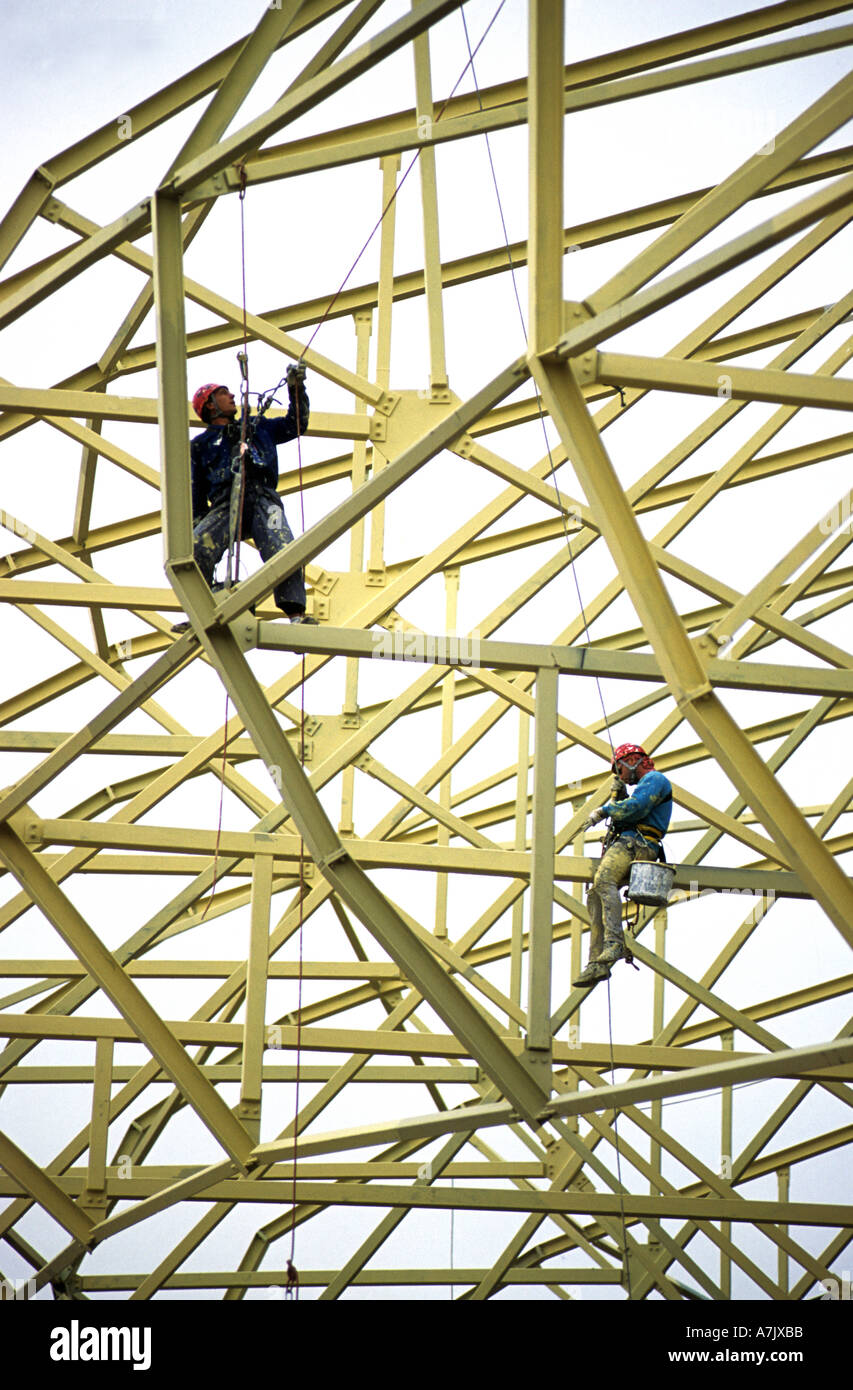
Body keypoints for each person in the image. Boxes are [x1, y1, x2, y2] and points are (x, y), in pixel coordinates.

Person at [184, 365, 315, 624]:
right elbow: (195, 488)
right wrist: (199, 520)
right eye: (223, 393)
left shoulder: (256, 427)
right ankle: (201, 610)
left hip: (263, 498)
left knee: (284, 548)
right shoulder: (200, 445)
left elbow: (295, 424)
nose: (231, 396)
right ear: (209, 405)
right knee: (196, 548)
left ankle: (296, 613)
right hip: (224, 504)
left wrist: (296, 387)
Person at [573, 743, 672, 988]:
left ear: (633, 760)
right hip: (630, 842)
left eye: (620, 769)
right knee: (596, 894)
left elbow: (637, 809)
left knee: (604, 880)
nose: (621, 776)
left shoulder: (654, 779)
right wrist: (620, 798)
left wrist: (606, 809)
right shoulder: (642, 787)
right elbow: (632, 807)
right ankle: (597, 962)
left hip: (637, 844)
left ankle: (614, 943)